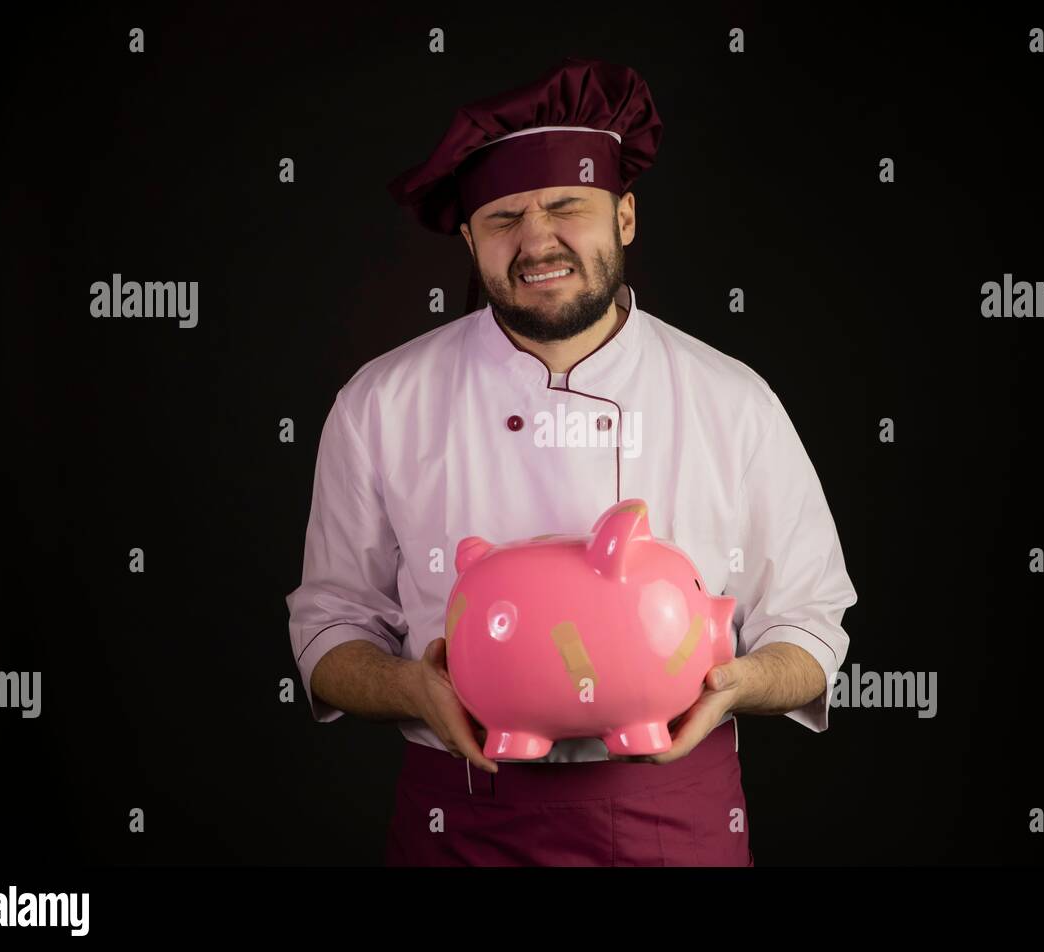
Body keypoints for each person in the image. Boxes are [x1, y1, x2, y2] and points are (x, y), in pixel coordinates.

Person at [285, 56, 858, 866]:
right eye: (503, 217)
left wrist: (734, 684)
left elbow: (810, 624)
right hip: (462, 815)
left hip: (673, 813)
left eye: (566, 206)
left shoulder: (734, 401)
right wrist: (413, 687)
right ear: (468, 238)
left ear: (624, 217)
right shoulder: (382, 402)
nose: (536, 241)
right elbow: (330, 626)